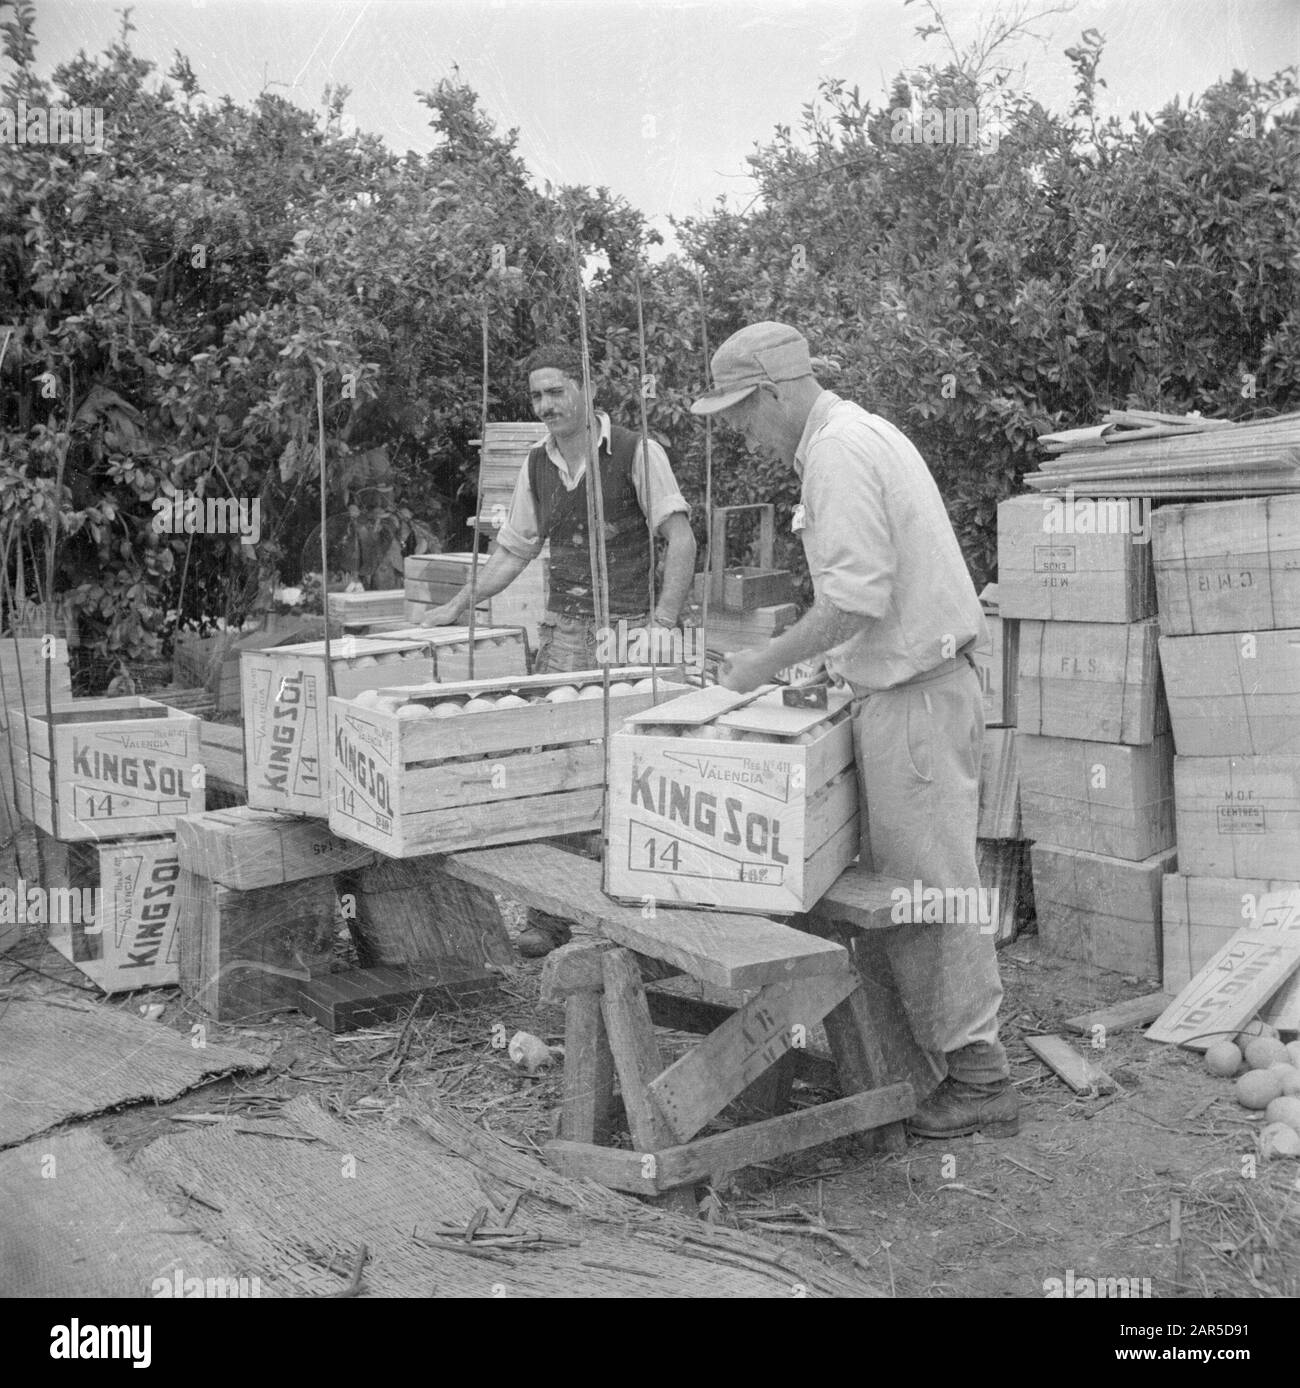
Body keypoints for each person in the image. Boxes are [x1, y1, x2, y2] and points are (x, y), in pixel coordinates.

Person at [690, 321, 1017, 1140]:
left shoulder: (837, 454)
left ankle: (980, 1077)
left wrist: (753, 670)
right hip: (916, 689)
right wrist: (827, 668)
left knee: (930, 887)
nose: (738, 432)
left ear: (770, 392)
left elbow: (852, 603)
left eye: (737, 413)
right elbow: (872, 599)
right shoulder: (861, 432)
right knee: (920, 882)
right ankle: (934, 1053)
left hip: (916, 700)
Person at [424, 342, 696, 957]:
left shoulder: (636, 451)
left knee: (635, 766)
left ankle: (649, 916)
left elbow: (680, 541)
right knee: (556, 766)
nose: (547, 405)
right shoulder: (536, 467)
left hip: (630, 629)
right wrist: (458, 604)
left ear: (586, 388)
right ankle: (554, 917)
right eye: (538, 396)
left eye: (556, 391)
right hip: (564, 630)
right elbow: (514, 550)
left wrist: (664, 620)